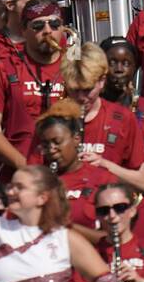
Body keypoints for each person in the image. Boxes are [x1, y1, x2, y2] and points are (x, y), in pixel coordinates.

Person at [39, 41, 144, 187]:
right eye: (74, 90)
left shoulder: (124, 118)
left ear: (102, 81)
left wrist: (104, 164)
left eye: (87, 90)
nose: (80, 97)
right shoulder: (53, 120)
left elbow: (143, 183)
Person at [0, 0, 68, 183]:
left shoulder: (74, 70)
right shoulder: (3, 70)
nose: (47, 31)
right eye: (38, 25)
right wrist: (24, 165)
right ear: (24, 30)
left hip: (67, 175)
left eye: (55, 24)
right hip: (17, 175)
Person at [32, 102, 115, 242]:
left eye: (57, 142)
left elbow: (110, 239)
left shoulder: (102, 179)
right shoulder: (38, 181)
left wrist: (63, 226)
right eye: (46, 145)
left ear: (76, 139)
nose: (52, 149)